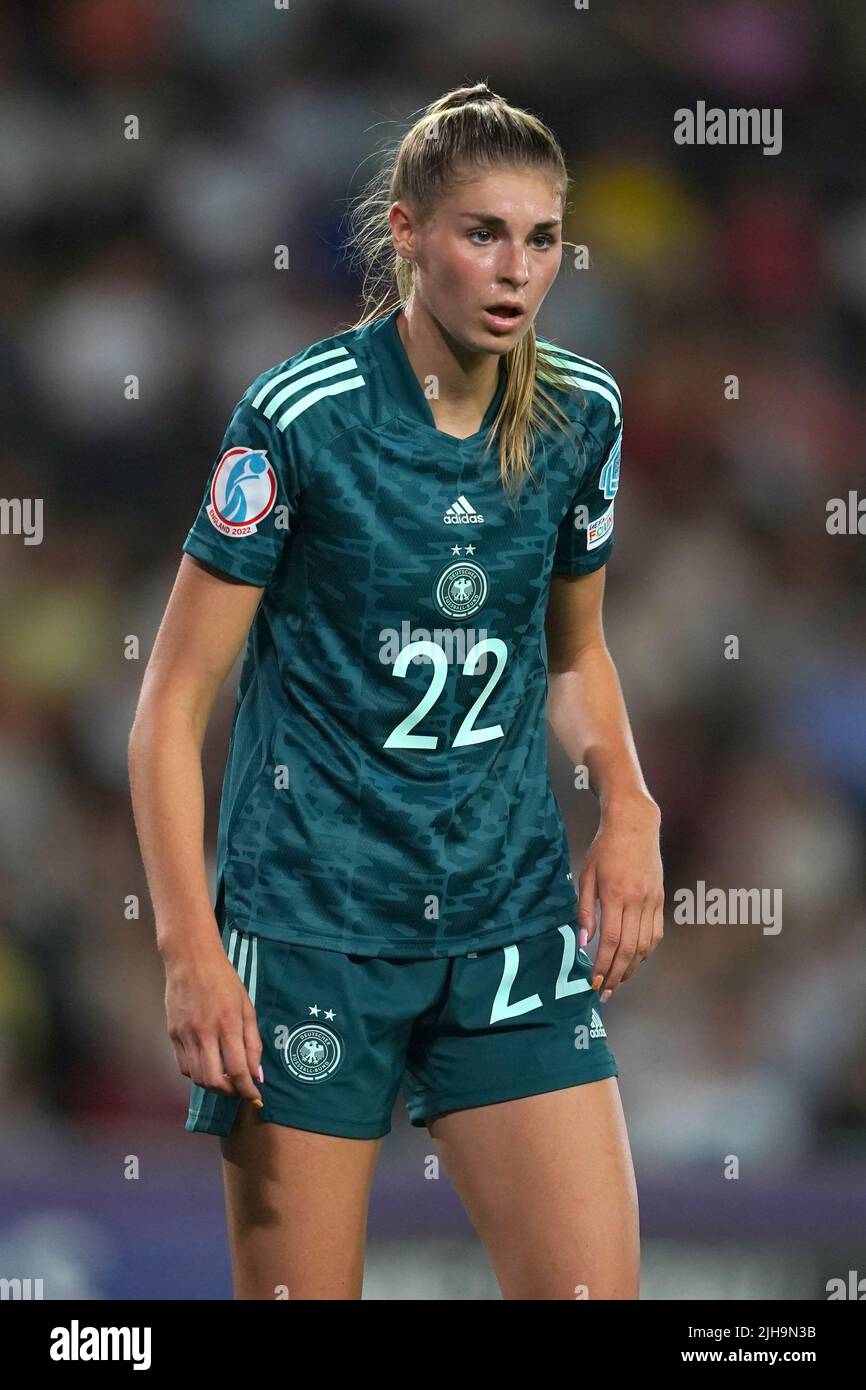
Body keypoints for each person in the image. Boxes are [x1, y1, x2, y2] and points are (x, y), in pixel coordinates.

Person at [128, 81, 664, 1301]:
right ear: (407, 230)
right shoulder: (298, 418)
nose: (514, 268)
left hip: (508, 919)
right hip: (315, 925)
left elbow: (573, 654)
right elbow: (169, 704)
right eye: (482, 232)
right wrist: (188, 949)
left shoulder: (584, 412)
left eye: (539, 240)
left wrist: (625, 805)